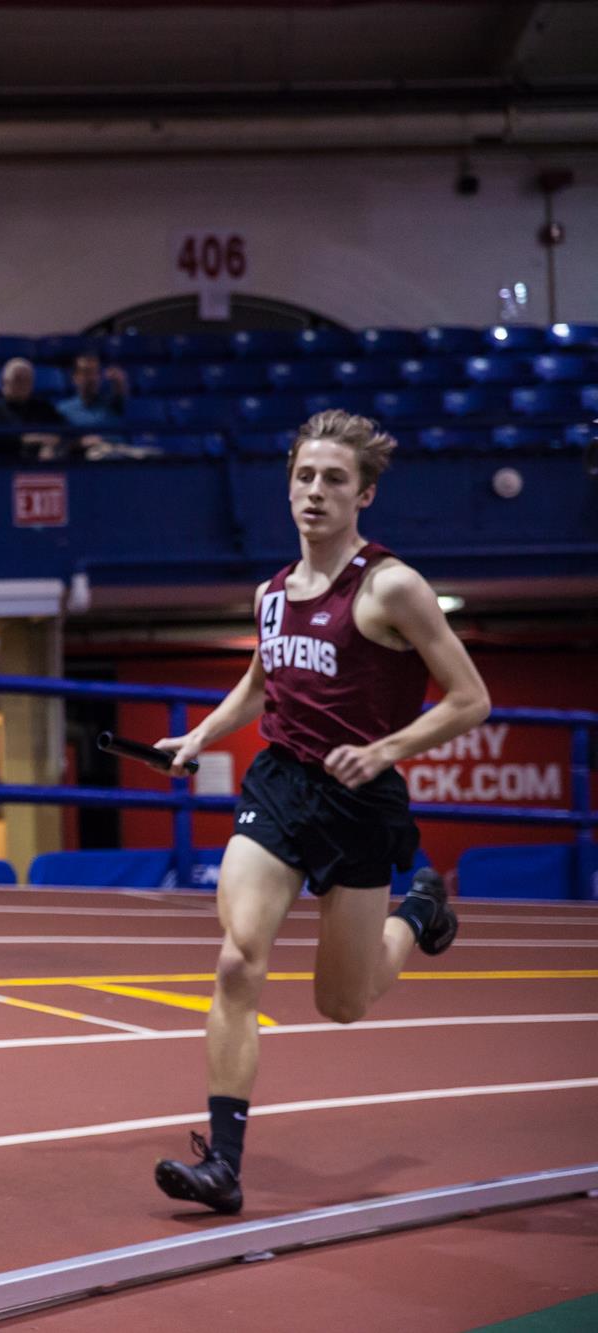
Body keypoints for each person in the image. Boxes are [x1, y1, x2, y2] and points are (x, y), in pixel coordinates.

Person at [151, 410, 489, 1215]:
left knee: (342, 1002)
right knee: (238, 959)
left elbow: (471, 699)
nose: (315, 491)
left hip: (361, 802)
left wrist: (386, 749)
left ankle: (416, 912)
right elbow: (265, 684)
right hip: (281, 785)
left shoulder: (391, 586)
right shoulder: (272, 591)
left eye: (335, 479)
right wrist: (199, 733)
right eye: (304, 476)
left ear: (363, 494)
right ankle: (223, 1166)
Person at [0, 357, 65, 461]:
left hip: (42, 465)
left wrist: (50, 446)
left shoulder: (44, 408)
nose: (22, 385)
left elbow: (61, 432)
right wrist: (27, 439)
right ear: (5, 382)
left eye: (27, 380)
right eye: (18, 379)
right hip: (5, 466)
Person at [54, 352, 128, 430]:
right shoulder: (62, 410)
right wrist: (80, 440)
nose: (92, 378)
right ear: (75, 378)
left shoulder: (114, 403)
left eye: (96, 372)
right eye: (86, 372)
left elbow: (121, 390)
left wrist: (118, 380)